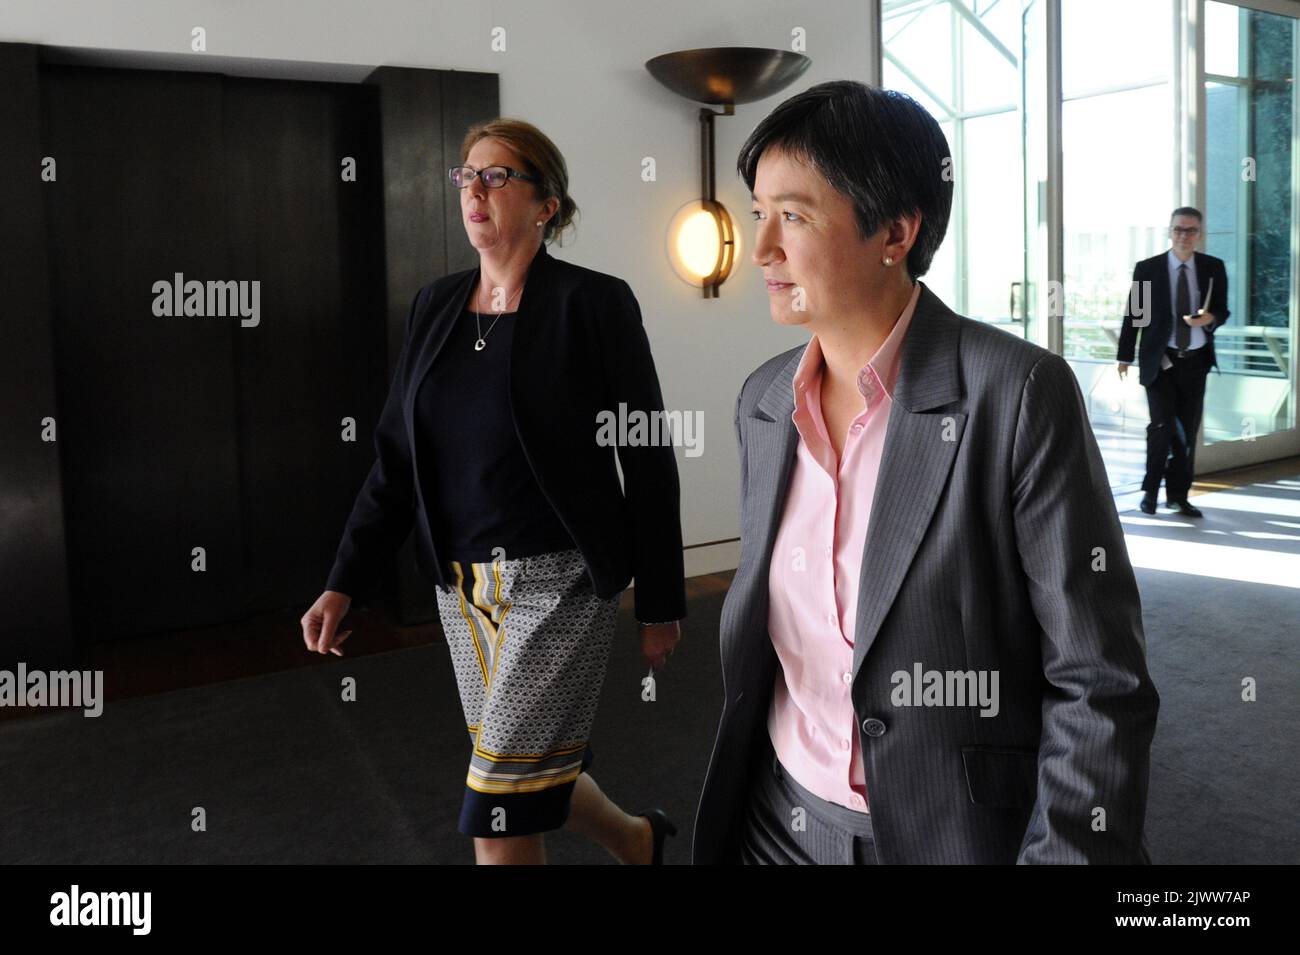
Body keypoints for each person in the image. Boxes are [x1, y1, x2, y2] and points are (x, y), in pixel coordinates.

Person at [691, 80, 1160, 864]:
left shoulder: (1015, 394)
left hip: (954, 834)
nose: (762, 247)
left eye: (795, 215)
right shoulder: (765, 400)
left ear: (896, 232)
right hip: (779, 820)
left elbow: (1100, 678)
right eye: (757, 213)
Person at [300, 118, 685, 865]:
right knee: (519, 771)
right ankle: (639, 840)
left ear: (546, 204)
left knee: (495, 807)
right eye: (466, 175)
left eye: (497, 175)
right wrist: (345, 579)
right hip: (461, 587)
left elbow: (646, 455)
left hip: (560, 583)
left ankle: (634, 840)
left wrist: (662, 598)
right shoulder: (434, 306)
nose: (474, 189)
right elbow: (395, 460)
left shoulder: (593, 303)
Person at [1117, 207, 1230, 517]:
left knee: (1187, 431)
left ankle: (1178, 495)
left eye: (1191, 230)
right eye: (1179, 229)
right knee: (1162, 427)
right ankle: (1150, 492)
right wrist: (1125, 356)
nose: (1185, 235)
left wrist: (1210, 319)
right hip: (1161, 362)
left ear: (1199, 234)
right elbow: (1135, 315)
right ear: (1170, 231)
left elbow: (1222, 309)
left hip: (1196, 362)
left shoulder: (1213, 268)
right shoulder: (1148, 269)